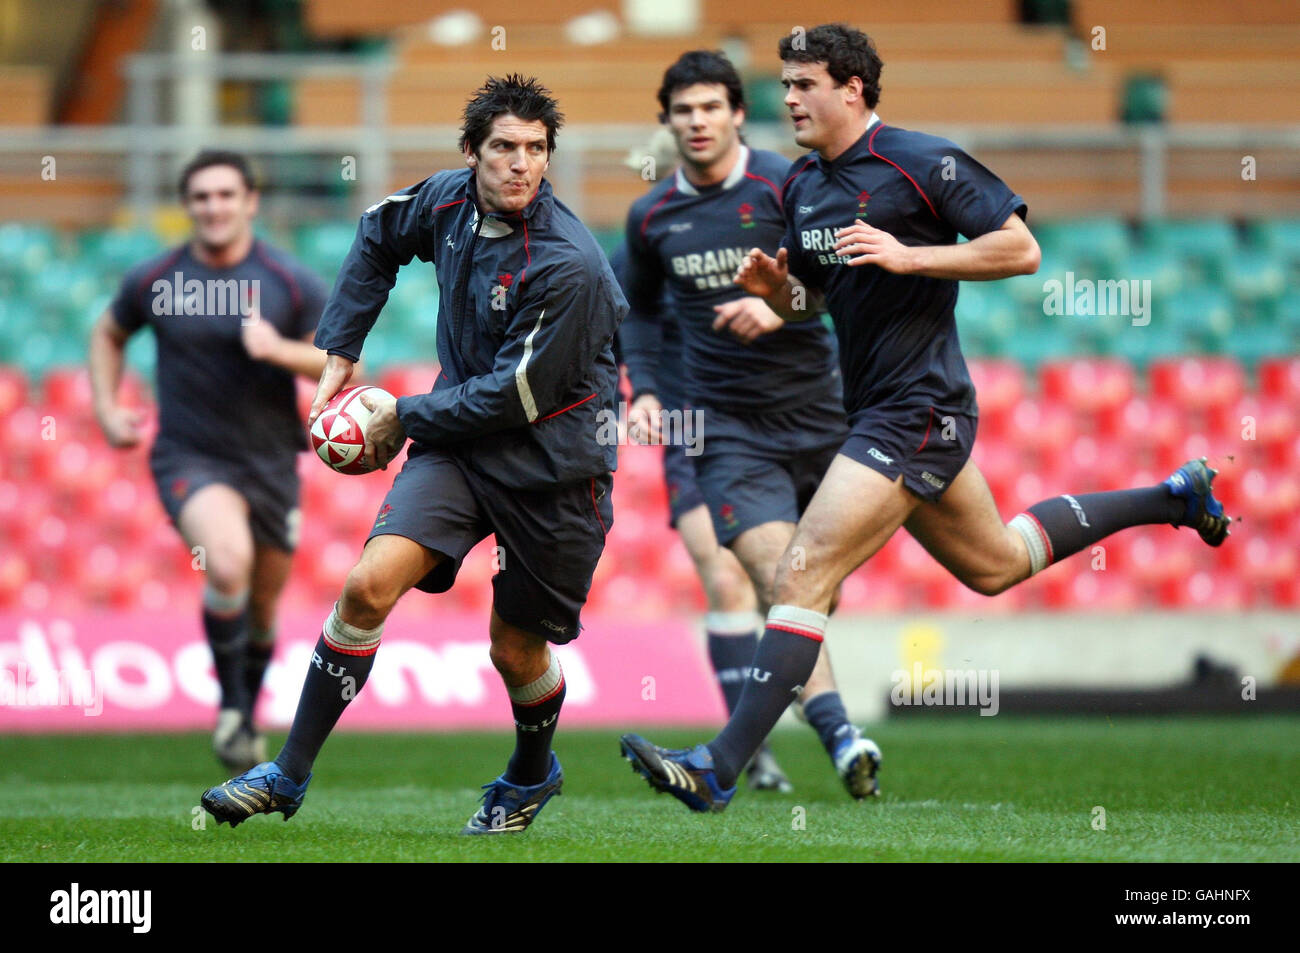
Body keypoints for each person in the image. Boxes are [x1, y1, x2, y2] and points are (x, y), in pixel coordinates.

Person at [620, 24, 1230, 812]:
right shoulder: (803, 186)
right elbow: (812, 303)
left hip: (921, 404)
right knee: (997, 563)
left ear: (853, 89)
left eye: (804, 84)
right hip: (879, 407)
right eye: (786, 83)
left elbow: (1019, 249)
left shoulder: (921, 161)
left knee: (800, 572)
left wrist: (915, 256)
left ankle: (720, 766)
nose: (789, 97)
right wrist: (778, 291)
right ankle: (1173, 498)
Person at [201, 74, 626, 835]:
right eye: (503, 148)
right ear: (471, 152)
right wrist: (340, 345)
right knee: (367, 586)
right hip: (459, 451)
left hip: (556, 469)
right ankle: (287, 774)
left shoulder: (570, 265)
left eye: (536, 150)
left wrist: (401, 414)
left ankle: (532, 774)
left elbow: (515, 395)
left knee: (514, 649)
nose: (520, 164)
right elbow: (375, 235)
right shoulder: (447, 201)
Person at [617, 51, 882, 800]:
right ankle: (836, 736)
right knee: (770, 580)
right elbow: (634, 309)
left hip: (824, 414)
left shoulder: (788, 184)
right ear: (666, 123)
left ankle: (767, 733)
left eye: (710, 107)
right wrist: (641, 391)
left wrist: (784, 302)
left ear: (737, 112)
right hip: (720, 424)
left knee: (823, 590)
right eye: (682, 110)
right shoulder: (651, 216)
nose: (697, 122)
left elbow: (841, 280)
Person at [91, 150, 329, 774]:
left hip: (273, 460)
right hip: (190, 454)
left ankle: (246, 715)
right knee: (227, 565)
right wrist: (108, 409)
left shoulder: (289, 280)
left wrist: (277, 349)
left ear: (250, 202)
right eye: (200, 197)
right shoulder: (155, 280)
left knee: (263, 605)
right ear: (187, 206)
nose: (213, 207)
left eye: (226, 195)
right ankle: (230, 708)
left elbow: (338, 361)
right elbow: (108, 333)